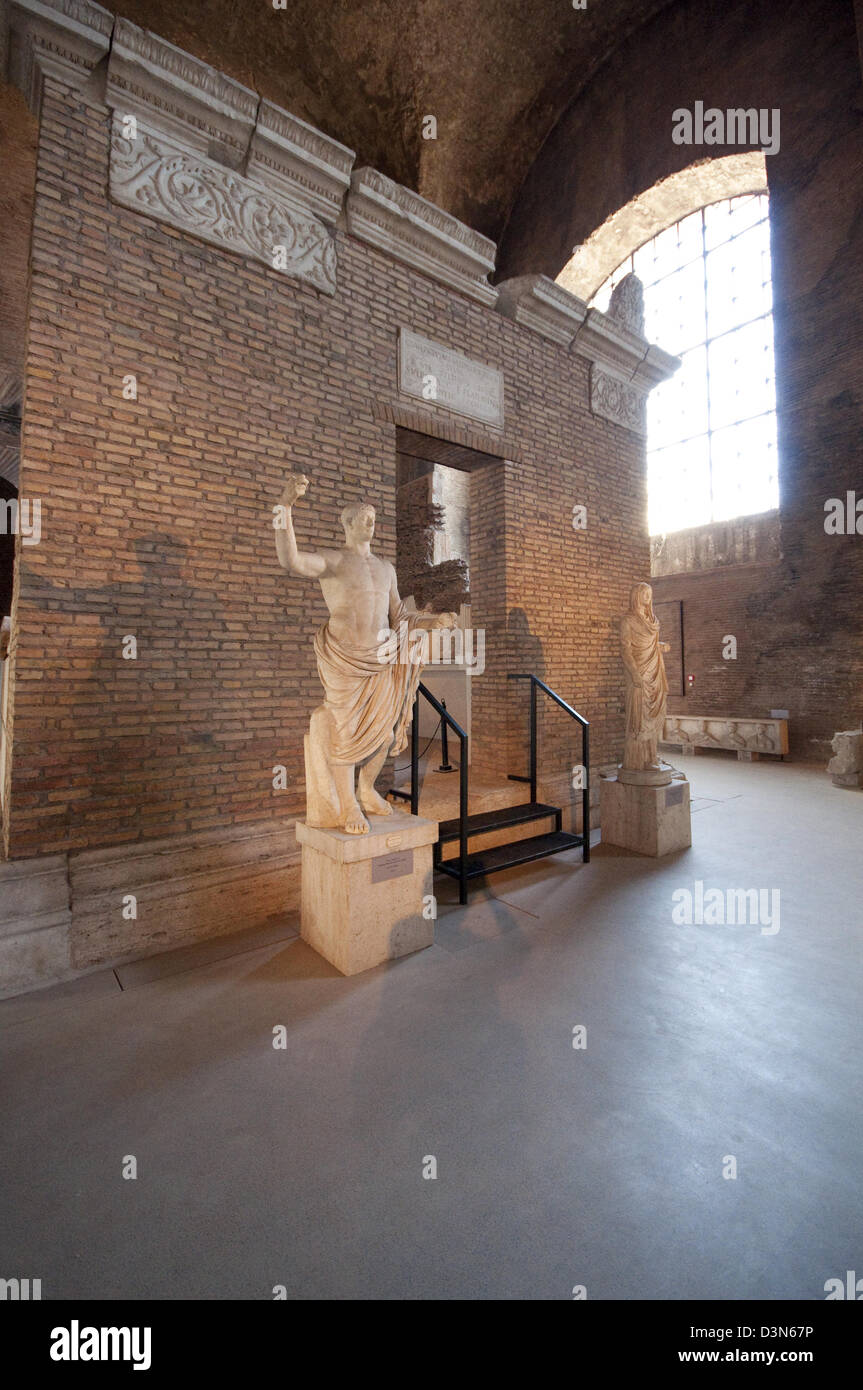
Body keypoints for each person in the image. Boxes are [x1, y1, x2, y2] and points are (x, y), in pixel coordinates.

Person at [275, 473, 456, 834]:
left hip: (380, 659)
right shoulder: (333, 561)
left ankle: (366, 789)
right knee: (345, 733)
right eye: (364, 519)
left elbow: (400, 616)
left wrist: (432, 621)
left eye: (373, 519)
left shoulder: (385, 569)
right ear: (347, 523)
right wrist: (285, 505)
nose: (371, 524)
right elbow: (290, 560)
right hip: (345, 660)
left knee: (384, 735)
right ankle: (347, 807)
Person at [620, 581, 671, 772]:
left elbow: (650, 645)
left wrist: (660, 646)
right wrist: (634, 674)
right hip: (639, 673)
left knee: (652, 715)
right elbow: (626, 650)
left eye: (650, 593)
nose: (648, 597)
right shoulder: (628, 621)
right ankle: (636, 762)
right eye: (644, 593)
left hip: (654, 671)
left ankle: (651, 759)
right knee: (639, 717)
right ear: (636, 596)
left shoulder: (652, 621)